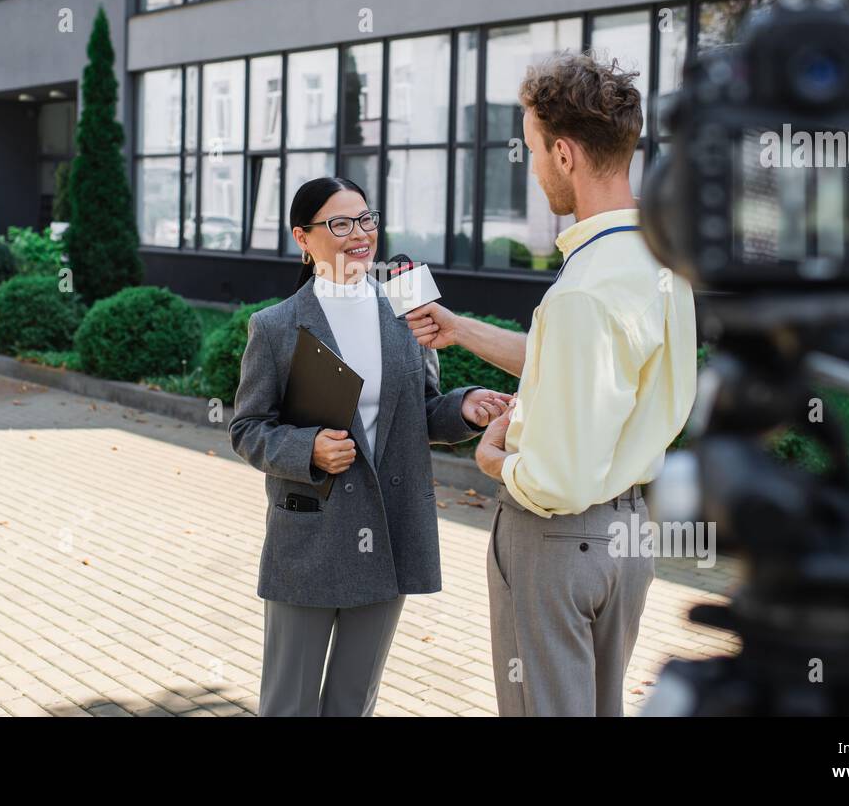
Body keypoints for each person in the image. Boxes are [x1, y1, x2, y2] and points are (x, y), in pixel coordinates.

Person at [406, 52, 698, 716]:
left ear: (564, 154)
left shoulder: (582, 292)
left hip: (556, 541)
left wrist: (495, 459)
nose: (532, 167)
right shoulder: (658, 261)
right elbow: (578, 363)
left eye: (532, 148)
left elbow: (557, 480)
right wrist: (460, 330)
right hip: (626, 537)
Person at [230, 176, 512, 717]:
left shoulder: (406, 311)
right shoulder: (275, 326)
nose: (358, 234)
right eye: (338, 223)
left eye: (365, 219)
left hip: (388, 529)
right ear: (303, 238)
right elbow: (247, 428)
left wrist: (466, 406)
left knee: (354, 701)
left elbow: (421, 411)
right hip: (311, 531)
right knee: (289, 702)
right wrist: (308, 448)